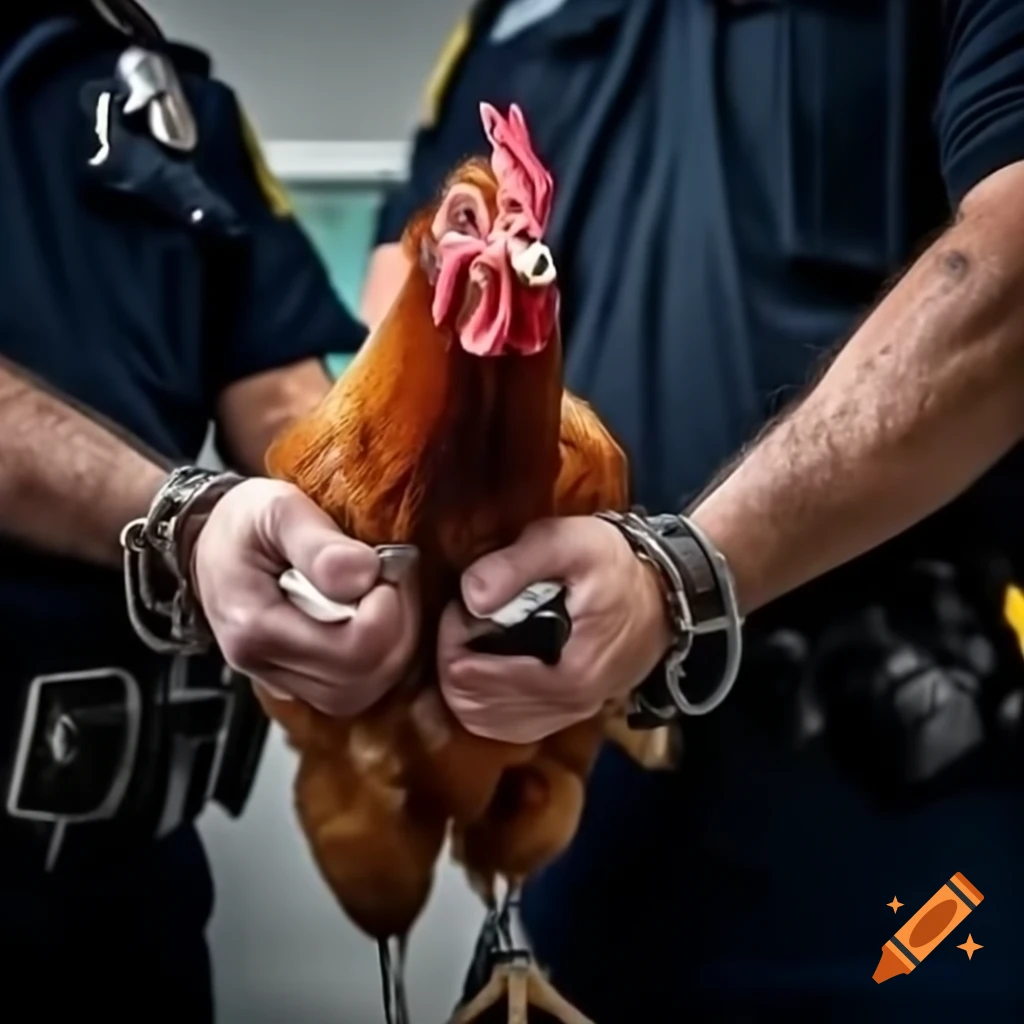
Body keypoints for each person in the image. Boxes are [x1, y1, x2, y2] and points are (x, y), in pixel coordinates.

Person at [366, 1, 1024, 1020]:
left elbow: (1012, 269)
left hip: (906, 803)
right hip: (596, 831)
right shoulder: (510, 21)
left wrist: (677, 572)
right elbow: (402, 296)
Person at [0, 2, 414, 1018]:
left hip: (130, 894)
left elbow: (279, 401)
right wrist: (185, 518)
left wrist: (412, 531)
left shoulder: (171, 100)